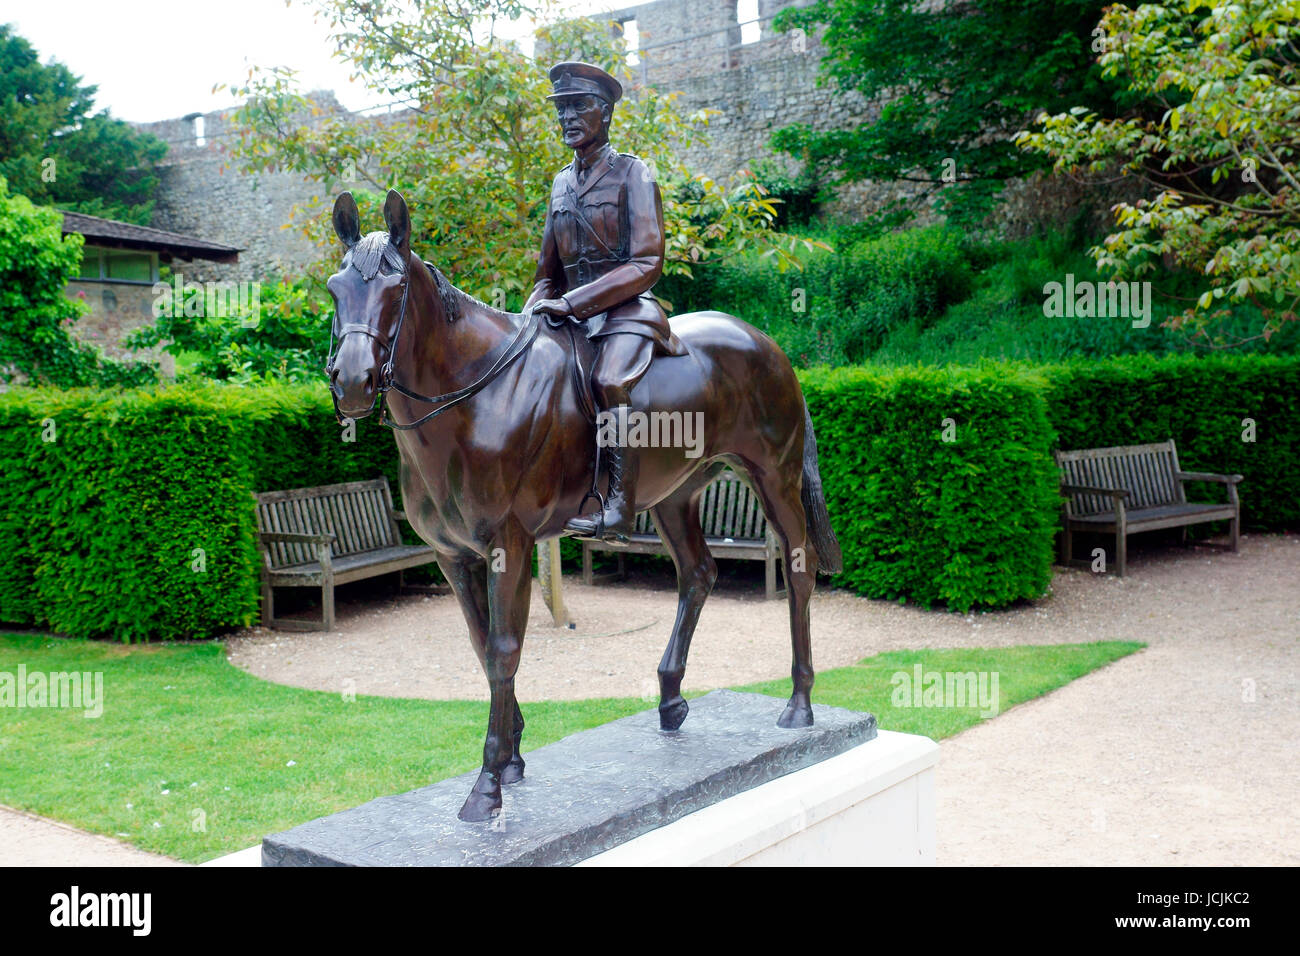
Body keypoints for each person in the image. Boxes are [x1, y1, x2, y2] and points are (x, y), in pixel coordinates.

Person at [525, 61, 687, 542]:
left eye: (579, 106)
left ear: (605, 113)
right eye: (562, 109)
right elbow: (546, 273)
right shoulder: (559, 184)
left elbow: (646, 263)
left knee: (610, 381)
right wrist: (531, 310)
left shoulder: (635, 174)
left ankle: (618, 507)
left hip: (625, 312)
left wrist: (573, 304)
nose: (568, 117)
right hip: (568, 315)